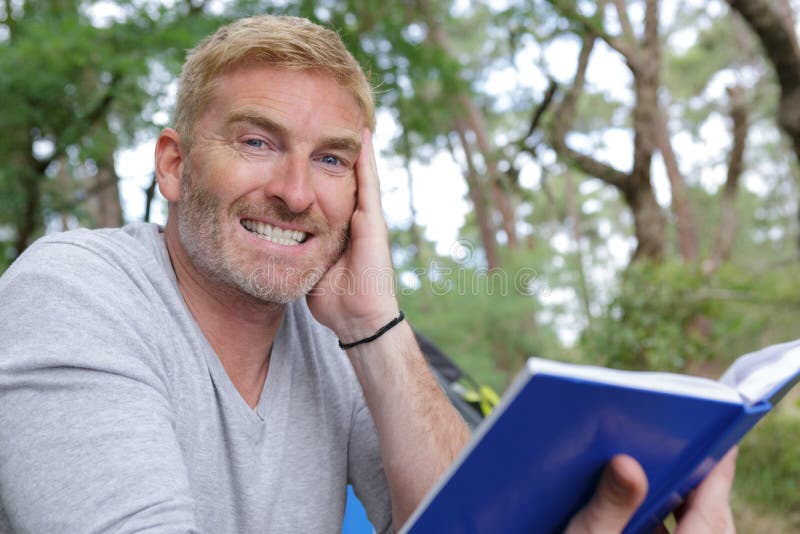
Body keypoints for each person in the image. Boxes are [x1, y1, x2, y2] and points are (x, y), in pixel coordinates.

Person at [0, 14, 736, 533]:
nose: (295, 191)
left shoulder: (331, 339)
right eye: (258, 141)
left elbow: (468, 525)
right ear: (174, 163)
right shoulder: (71, 295)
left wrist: (375, 327)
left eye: (332, 159)